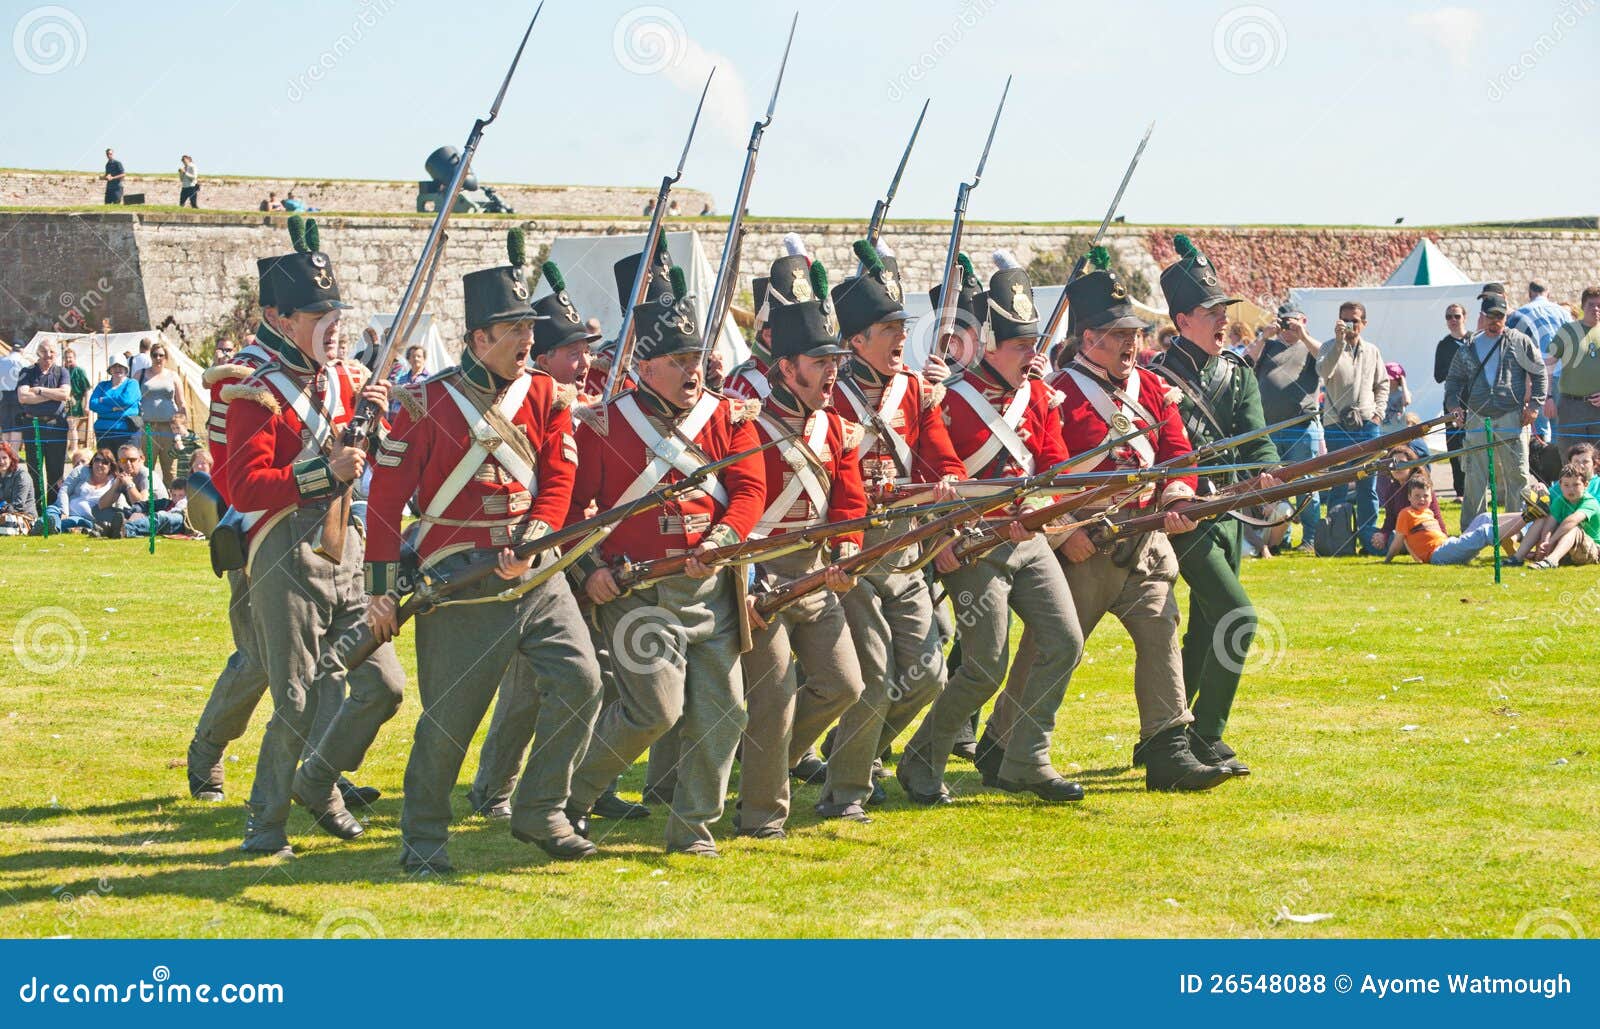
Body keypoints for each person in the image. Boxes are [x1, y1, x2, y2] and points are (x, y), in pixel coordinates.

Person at [365, 233, 602, 872]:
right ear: (477, 339)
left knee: (582, 682)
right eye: (512, 328)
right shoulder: (425, 404)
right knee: (450, 720)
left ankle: (541, 808)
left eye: (529, 325)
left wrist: (536, 537)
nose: (528, 338)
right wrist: (381, 587)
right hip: (458, 577)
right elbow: (387, 502)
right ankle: (422, 837)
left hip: (536, 572)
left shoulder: (550, 398)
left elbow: (559, 479)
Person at [562, 250, 766, 857]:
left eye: (697, 359)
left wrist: (723, 540)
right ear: (645, 366)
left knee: (726, 713)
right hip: (639, 591)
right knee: (654, 710)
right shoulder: (605, 425)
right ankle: (570, 799)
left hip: (712, 589)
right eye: (678, 361)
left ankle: (693, 828)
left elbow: (751, 487)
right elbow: (570, 509)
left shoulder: (729, 415)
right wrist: (590, 569)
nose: (692, 371)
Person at [222, 218, 404, 858]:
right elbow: (244, 487)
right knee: (296, 699)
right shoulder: (253, 388)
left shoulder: (348, 380)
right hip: (285, 549)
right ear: (278, 316)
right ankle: (264, 824)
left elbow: (373, 461)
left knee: (384, 687)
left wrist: (376, 424)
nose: (333, 323)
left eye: (335, 311)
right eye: (318, 313)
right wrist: (325, 471)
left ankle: (319, 781)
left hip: (348, 544)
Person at [1018, 253, 1230, 792]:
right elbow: (1042, 472)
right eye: (1117, 334)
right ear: (1088, 338)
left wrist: (1178, 496)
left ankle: (1167, 748)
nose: (1131, 343)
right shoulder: (1055, 395)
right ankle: (1008, 744)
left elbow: (1179, 454)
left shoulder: (1153, 390)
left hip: (1145, 538)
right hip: (1087, 543)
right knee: (1054, 650)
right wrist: (1065, 535)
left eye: (1133, 331)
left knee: (1161, 634)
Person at [466, 260, 649, 826]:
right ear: (542, 358)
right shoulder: (534, 402)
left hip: (588, 547)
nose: (585, 359)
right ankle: (493, 788)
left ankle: (590, 783)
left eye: (587, 349)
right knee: (530, 686)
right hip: (544, 550)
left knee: (607, 674)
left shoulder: (588, 400)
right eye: (572, 351)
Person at [899, 262, 1089, 805]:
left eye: (1036, 343)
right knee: (984, 667)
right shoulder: (949, 400)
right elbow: (932, 479)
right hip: (974, 545)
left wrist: (1053, 506)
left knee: (1064, 642)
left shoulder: (1036, 396)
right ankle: (924, 758)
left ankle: (1026, 758)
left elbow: (1053, 465)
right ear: (987, 343)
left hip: (1027, 537)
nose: (1032, 355)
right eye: (1019, 344)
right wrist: (945, 541)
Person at [820, 238, 965, 814]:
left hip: (904, 547)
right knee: (874, 675)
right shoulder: (831, 395)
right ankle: (846, 790)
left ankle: (857, 753)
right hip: (853, 548)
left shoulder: (913, 388)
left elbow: (939, 453)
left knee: (927, 674)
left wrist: (949, 479)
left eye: (902, 326)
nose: (902, 336)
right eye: (888, 328)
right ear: (856, 341)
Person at [734, 264, 868, 834]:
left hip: (815, 571)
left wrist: (845, 550)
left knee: (845, 685)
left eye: (836, 363)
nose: (833, 373)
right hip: (759, 574)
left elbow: (849, 502)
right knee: (774, 697)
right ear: (786, 368)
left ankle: (767, 768)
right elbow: (739, 505)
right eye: (821, 364)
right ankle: (761, 812)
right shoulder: (746, 426)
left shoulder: (835, 428)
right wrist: (741, 580)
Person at [1148, 234, 1280, 775]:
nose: (1222, 319)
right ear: (1183, 321)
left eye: (1223, 309)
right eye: (1210, 311)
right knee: (1238, 616)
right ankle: (1205, 732)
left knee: (1207, 627)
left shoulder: (1236, 372)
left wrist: (1271, 476)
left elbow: (1256, 441)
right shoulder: (1155, 378)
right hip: (1180, 517)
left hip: (1226, 516)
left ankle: (1175, 734)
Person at [1444, 291, 1546, 530]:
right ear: (1482, 316)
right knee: (1474, 478)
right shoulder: (1469, 345)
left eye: (1499, 316)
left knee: (1517, 477)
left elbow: (1539, 373)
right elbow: (1453, 380)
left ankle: (1515, 530)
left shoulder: (1519, 341)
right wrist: (1454, 406)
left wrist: (1534, 406)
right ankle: (1472, 532)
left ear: (1505, 317)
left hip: (1512, 415)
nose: (1495, 321)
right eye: (1491, 316)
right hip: (1477, 416)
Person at [1315, 301, 1389, 554]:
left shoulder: (1372, 351)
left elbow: (1383, 384)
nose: (1350, 325)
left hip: (1367, 424)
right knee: (1338, 482)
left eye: (1355, 320)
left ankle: (1369, 540)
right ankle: (1338, 537)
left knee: (1368, 486)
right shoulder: (1328, 347)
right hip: (1337, 425)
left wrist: (1378, 414)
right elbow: (1324, 372)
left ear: (1364, 324)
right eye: (1345, 320)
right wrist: (1338, 343)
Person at [1251, 304, 1322, 551]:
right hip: (1269, 427)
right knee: (1274, 485)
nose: (1287, 328)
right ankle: (1282, 537)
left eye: (1292, 323)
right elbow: (1245, 360)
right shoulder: (1268, 346)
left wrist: (1302, 334)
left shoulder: (1310, 346)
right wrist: (1264, 335)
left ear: (1303, 320)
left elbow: (1325, 358)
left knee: (1305, 483)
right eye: (1284, 323)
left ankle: (1312, 538)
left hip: (1300, 426)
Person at [1383, 476, 1525, 566]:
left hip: (1448, 545)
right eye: (1417, 496)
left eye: (1425, 496)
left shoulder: (1428, 512)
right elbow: (1399, 541)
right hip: (1437, 554)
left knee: (1484, 517)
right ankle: (1527, 518)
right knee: (1483, 531)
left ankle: (1525, 514)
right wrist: (1387, 560)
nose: (1421, 499)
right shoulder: (1406, 513)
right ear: (1409, 497)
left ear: (1431, 498)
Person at [1507, 280, 1571, 440]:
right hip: (1562, 372)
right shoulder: (1563, 312)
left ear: (1529, 293)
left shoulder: (1520, 313)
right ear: (1548, 293)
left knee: (1540, 427)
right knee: (1561, 426)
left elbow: (1511, 346)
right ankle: (1560, 462)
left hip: (1534, 375)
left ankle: (1544, 462)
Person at [16, 340, 71, 502]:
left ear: (56, 354)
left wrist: (40, 390)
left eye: (52, 351)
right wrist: (52, 396)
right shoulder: (27, 372)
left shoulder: (62, 372)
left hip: (56, 426)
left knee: (56, 471)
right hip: (33, 426)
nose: (48, 355)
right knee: (35, 470)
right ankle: (37, 509)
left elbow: (64, 395)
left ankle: (53, 510)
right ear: (38, 353)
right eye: (45, 351)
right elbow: (23, 397)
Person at [1547, 286, 1600, 452]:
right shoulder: (1568, 331)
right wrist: (1548, 396)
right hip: (1571, 406)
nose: (1596, 309)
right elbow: (1548, 364)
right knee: (1572, 459)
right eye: (1591, 304)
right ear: (1583, 307)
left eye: (1599, 305)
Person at [1518, 463, 1600, 568]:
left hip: (1592, 550)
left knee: (1573, 528)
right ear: (1560, 485)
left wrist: (1551, 542)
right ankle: (1517, 557)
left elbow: (1571, 521)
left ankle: (1551, 561)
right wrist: (1545, 543)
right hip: (1565, 548)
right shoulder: (1560, 500)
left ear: (1586, 485)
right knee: (1542, 519)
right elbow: (1550, 524)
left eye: (1576, 485)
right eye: (1566, 485)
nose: (1571, 489)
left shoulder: (1590, 502)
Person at [1369, 447, 1443, 555]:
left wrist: (1443, 538)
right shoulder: (1392, 488)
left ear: (1411, 465)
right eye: (1393, 464)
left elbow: (1436, 516)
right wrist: (1382, 534)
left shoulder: (1421, 486)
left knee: (1394, 537)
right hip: (1398, 533)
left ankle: (1383, 548)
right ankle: (1380, 546)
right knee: (1368, 532)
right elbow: (1390, 520)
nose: (1397, 467)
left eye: (1402, 463)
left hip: (1417, 535)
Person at [135, 340, 188, 488]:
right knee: (145, 469)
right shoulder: (140, 374)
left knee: (170, 470)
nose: (158, 358)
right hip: (147, 428)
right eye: (154, 355)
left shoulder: (173, 376)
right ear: (150, 356)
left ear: (166, 358)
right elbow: (132, 400)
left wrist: (183, 428)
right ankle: (145, 502)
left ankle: (172, 503)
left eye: (161, 355)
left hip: (169, 429)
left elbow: (181, 403)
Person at [1434, 303, 1471, 497]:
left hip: (1474, 400)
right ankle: (1460, 490)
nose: (1453, 320)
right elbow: (1438, 375)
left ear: (1464, 317)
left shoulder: (1475, 340)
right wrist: (1455, 371)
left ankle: (1481, 487)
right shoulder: (1444, 345)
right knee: (1455, 447)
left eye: (1456, 316)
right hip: (1453, 401)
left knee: (1477, 445)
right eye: (1449, 317)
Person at [45, 449, 118, 534]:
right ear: (92, 462)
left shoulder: (115, 481)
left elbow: (117, 505)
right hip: (63, 510)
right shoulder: (81, 470)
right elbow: (64, 490)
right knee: (51, 510)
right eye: (97, 460)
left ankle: (49, 527)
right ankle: (45, 525)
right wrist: (65, 512)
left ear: (111, 466)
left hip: (85, 517)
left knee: (73, 521)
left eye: (105, 462)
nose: (99, 464)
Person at [88, 354, 141, 455]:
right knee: (107, 465)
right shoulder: (102, 385)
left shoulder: (132, 383)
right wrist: (114, 409)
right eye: (114, 367)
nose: (118, 369)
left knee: (126, 464)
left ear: (126, 369)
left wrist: (103, 400)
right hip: (103, 431)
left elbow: (126, 400)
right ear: (110, 370)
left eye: (121, 366)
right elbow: (92, 404)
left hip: (126, 432)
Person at [0, 441, 38, 532]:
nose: (1, 461)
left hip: (24, 517)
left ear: (11, 458)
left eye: (4, 457)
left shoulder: (21, 476)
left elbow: (18, 505)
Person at [389, 344, 429, 418]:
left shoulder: (429, 380)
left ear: (424, 359)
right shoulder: (401, 379)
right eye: (413, 356)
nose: (416, 359)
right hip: (400, 418)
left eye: (419, 356)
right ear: (408, 359)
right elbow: (396, 402)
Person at [64, 346, 90, 450]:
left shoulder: (79, 371)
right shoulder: (63, 370)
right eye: (66, 357)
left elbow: (87, 389)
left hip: (75, 403)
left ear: (74, 358)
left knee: (71, 426)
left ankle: (74, 449)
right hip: (64, 402)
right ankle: (65, 451)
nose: (68, 359)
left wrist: (87, 405)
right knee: (64, 428)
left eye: (70, 357)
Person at [0, 343, 24, 448]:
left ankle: (6, 453)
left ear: (11, 349)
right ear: (22, 350)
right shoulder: (24, 361)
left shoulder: (2, 360)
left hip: (2, 395)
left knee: (5, 426)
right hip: (17, 394)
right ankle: (13, 454)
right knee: (16, 426)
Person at [1382, 362, 1412, 430]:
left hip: (1398, 429)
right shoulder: (1381, 394)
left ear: (1397, 380)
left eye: (1390, 378)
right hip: (1383, 430)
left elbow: (1407, 401)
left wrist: (1403, 382)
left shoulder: (1402, 394)